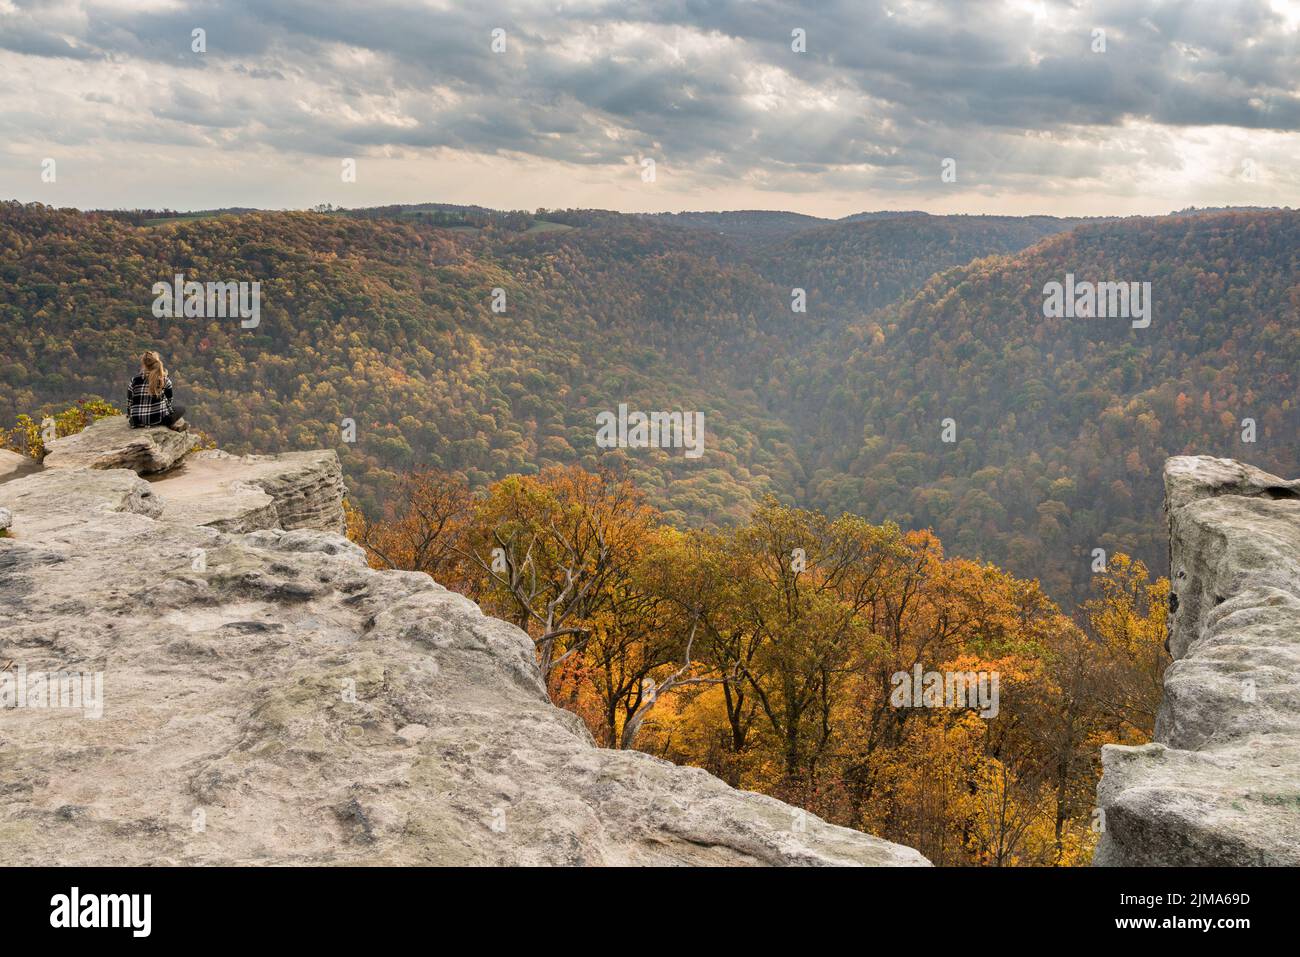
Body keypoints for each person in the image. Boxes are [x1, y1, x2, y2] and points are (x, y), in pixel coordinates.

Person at [127, 351, 188, 431]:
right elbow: (169, 401)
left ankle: (173, 427)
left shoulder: (134, 380)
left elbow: (129, 401)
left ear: (144, 364)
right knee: (182, 409)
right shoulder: (164, 380)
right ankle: (172, 426)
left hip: (136, 420)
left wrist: (130, 414)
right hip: (158, 419)